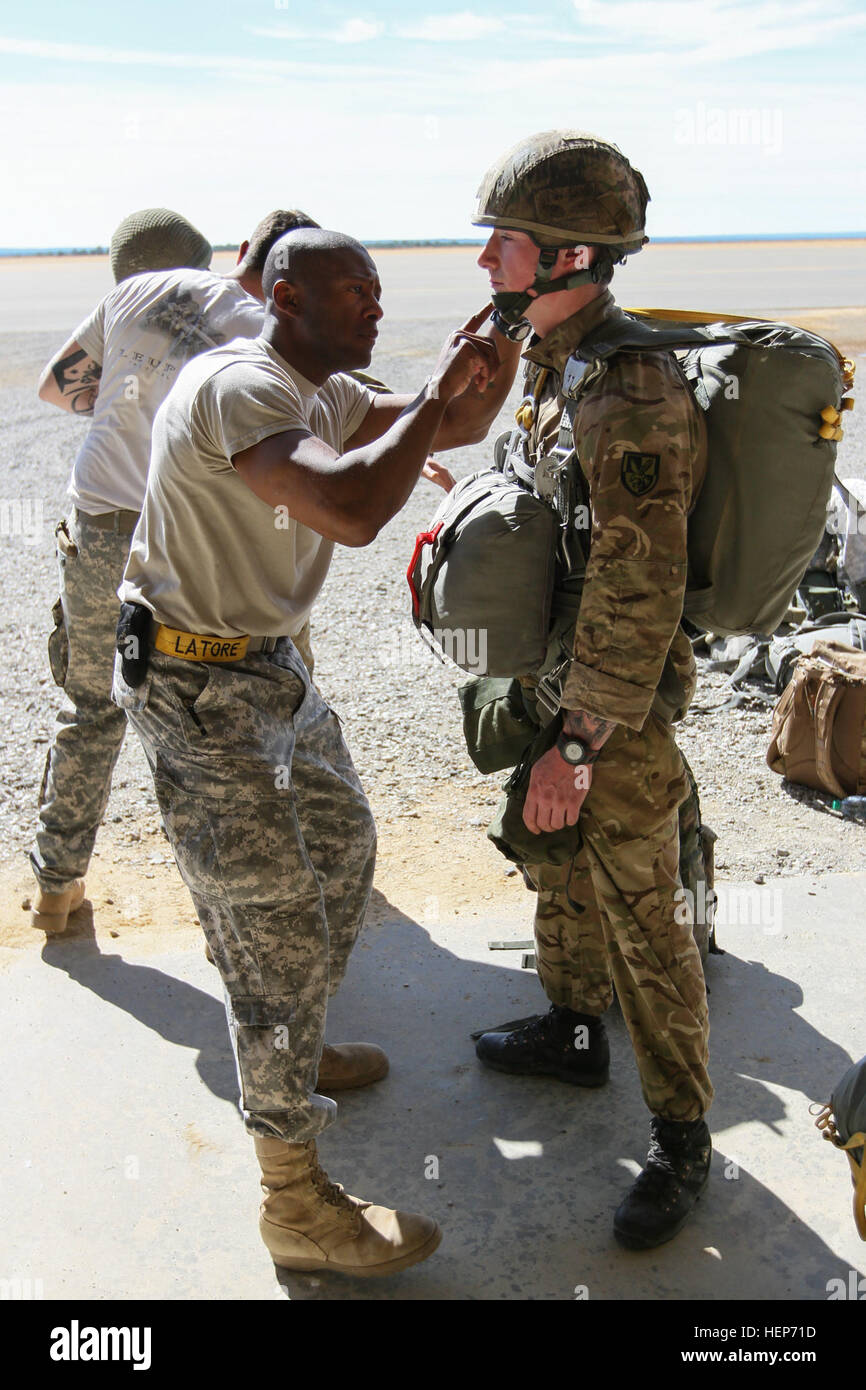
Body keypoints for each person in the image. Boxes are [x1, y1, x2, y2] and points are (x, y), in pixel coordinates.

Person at [113, 226, 521, 1276]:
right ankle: (292, 1201)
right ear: (285, 296)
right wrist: (430, 400)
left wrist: (497, 352)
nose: (375, 309)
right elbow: (345, 506)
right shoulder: (240, 384)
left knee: (342, 848)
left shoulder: (321, 387)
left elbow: (453, 418)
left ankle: (290, 1025)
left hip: (263, 667)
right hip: (194, 682)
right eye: (354, 292)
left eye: (380, 291)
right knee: (275, 923)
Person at [469, 131, 713, 1250]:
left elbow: (639, 578)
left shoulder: (631, 387)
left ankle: (681, 1137)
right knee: (552, 861)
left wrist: (580, 740)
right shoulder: (551, 361)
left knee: (643, 913)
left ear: (570, 257)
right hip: (556, 683)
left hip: (611, 705)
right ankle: (573, 1028)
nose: (485, 264)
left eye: (503, 246)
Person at [31, 209, 321, 934]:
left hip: (101, 525)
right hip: (188, 532)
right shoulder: (261, 324)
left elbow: (54, 390)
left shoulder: (126, 298)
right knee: (227, 700)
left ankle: (55, 889)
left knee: (91, 703)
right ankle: (270, 886)